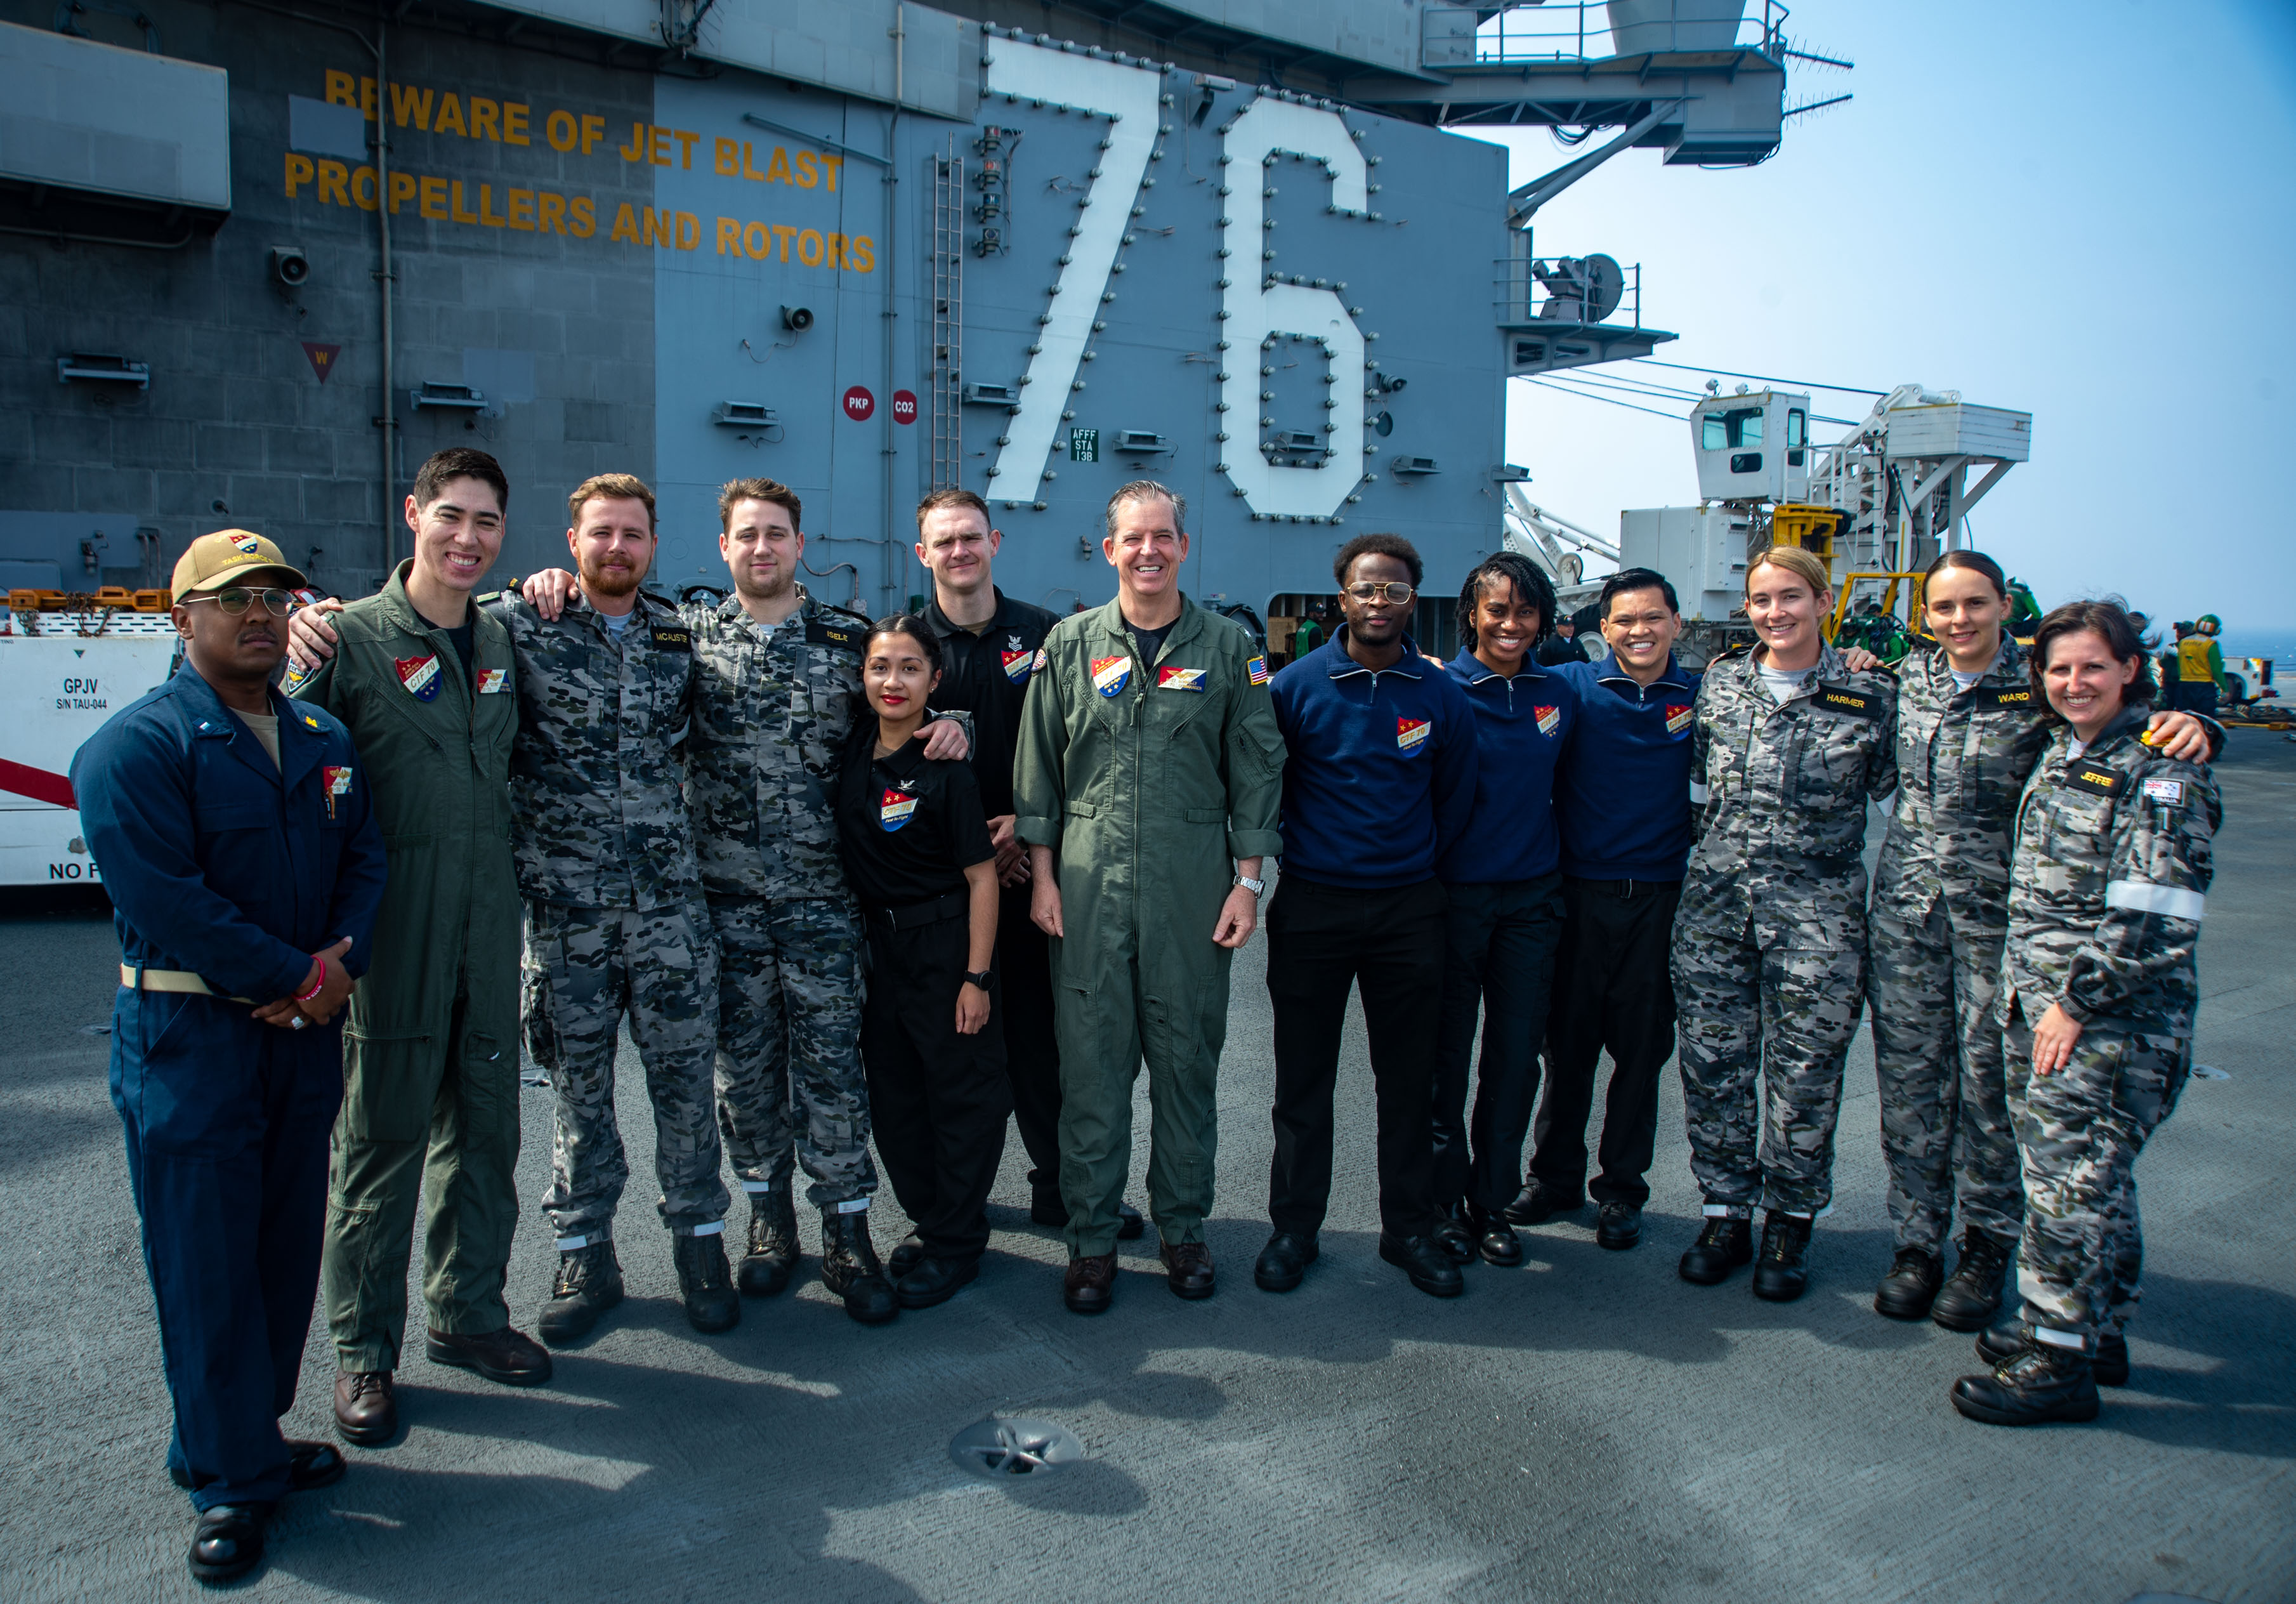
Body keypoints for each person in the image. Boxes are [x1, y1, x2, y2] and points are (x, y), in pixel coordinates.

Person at [291, 473, 737, 1341]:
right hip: (563, 914)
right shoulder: (518, 624)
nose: (616, 548)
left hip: (669, 913)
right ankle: (584, 1253)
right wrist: (310, 624)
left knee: (686, 1086)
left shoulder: (683, 635)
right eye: (600, 533)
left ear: (653, 545)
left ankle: (699, 1244)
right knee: (577, 1091)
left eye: (632, 534)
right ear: (570, 543)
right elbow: (412, 632)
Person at [516, 480, 968, 1325]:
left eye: (776, 534)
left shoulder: (847, 641)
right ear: (722, 547)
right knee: (745, 1076)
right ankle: (768, 1222)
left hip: (823, 903)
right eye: (746, 535)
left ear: (800, 545)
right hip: (721, 907)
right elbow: (611, 656)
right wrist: (556, 584)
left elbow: (905, 702)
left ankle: (846, 1231)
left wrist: (956, 727)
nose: (762, 548)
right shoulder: (682, 637)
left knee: (833, 1070)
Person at [74, 531, 386, 1585]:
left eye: (273, 597)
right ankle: (226, 1481)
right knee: (205, 1262)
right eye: (233, 598)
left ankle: (245, 1434)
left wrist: (340, 960)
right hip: (194, 1042)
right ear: (183, 619)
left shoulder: (321, 737)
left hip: (299, 1038)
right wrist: (299, 975)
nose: (259, 614)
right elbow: (168, 901)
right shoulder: (136, 747)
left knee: (280, 1252)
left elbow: (366, 860)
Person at [1854, 553, 2217, 1334]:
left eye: (1974, 603)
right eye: (1943, 607)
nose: (1959, 619)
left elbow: (2120, 731)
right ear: (1924, 615)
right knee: (1911, 1084)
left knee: (1992, 1095)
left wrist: (2200, 724)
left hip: (2003, 929)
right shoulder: (1904, 680)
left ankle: (1987, 1244)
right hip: (1909, 919)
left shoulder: (2039, 682)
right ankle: (1916, 1241)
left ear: (2001, 605)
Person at [280, 449, 546, 1450]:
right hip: (391, 934)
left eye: (487, 521)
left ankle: (467, 1312)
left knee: (485, 1133)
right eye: (451, 515)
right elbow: (266, 743)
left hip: (488, 926)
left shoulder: (503, 638)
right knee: (379, 1146)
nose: (468, 538)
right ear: (412, 515)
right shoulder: (344, 639)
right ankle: (362, 1352)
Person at [1013, 480, 1284, 1314]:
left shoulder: (1229, 647)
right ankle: (1091, 1240)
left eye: (1162, 535)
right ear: (1110, 550)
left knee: (1185, 1067)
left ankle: (1183, 1229)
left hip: (1191, 886)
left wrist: (1248, 882)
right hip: (1087, 885)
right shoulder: (1068, 644)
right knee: (1090, 1072)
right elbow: (1038, 769)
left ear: (1183, 547)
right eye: (1133, 537)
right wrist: (1043, 877)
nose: (1148, 550)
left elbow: (1257, 767)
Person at [1950, 600, 2219, 1426]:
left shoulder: (2160, 770)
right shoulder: (2069, 748)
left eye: (2092, 667)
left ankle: (2056, 1359)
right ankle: (2094, 1327)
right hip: (2046, 1005)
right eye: (2058, 668)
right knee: (2092, 1178)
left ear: (2130, 670)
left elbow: (2154, 916)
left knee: (2065, 1183)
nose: (2073, 682)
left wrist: (2074, 1003)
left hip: (2105, 1022)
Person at [910, 488, 1145, 1247]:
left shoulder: (1051, 635)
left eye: (970, 537)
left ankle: (1065, 1189)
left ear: (995, 542)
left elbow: (1090, 745)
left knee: (1052, 1043)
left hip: (1039, 872)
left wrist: (1026, 823)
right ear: (923, 553)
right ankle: (960, 1202)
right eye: (944, 541)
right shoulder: (907, 645)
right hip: (952, 884)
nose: (959, 551)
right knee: (963, 1047)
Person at [1672, 544, 1897, 1301]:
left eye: (1792, 596)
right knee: (1714, 1065)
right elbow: (1698, 791)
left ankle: (1791, 1219)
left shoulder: (1869, 693)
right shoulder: (1721, 682)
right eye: (1762, 599)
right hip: (1716, 915)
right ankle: (1724, 1210)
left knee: (1804, 1076)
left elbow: (1910, 790)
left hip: (1817, 924)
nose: (1776, 612)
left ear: (1824, 601)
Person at [1258, 534, 1476, 1299]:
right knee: (1302, 1081)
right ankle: (1294, 1228)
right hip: (1312, 905)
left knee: (1409, 1082)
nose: (1379, 601)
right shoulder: (1295, 687)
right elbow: (1270, 786)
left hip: (1408, 909)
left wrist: (1406, 864)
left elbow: (1455, 799)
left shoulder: (1441, 694)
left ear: (1413, 599)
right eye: (1365, 588)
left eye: (1394, 590)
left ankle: (1408, 1229)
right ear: (1341, 597)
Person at [1523, 567, 1703, 1252]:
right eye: (1624, 620)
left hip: (1659, 901)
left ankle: (1622, 1189)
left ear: (1676, 623)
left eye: (1653, 617)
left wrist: (1853, 657)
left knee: (1640, 1054)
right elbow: (1492, 683)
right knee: (1565, 1049)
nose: (1639, 631)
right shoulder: (1571, 686)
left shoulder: (1705, 695)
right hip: (1577, 896)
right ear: (1604, 629)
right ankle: (1553, 1177)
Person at [836, 615, 1007, 1308]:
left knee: (960, 1098)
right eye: (880, 667)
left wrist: (976, 977)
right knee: (896, 1100)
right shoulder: (851, 745)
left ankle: (958, 1243)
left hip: (944, 946)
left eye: (910, 668)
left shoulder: (945, 769)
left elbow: (983, 878)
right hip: (878, 954)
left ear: (935, 681)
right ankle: (934, 1220)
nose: (893, 681)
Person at [1427, 551, 1569, 1270]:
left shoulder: (1561, 691)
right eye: (1497, 610)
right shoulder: (1438, 688)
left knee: (1514, 1061)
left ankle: (1492, 1202)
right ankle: (1442, 1204)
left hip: (1531, 903)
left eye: (1525, 611)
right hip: (1453, 901)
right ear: (1471, 615)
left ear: (1543, 619)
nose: (1511, 624)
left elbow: (1650, 679)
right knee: (1444, 1061)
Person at [2172, 614, 2228, 715]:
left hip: (2184, 686)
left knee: (2185, 718)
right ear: (2216, 630)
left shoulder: (2183, 643)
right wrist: (2225, 689)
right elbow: (2217, 670)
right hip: (2204, 687)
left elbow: (2179, 665)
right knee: (2205, 719)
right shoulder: (2211, 644)